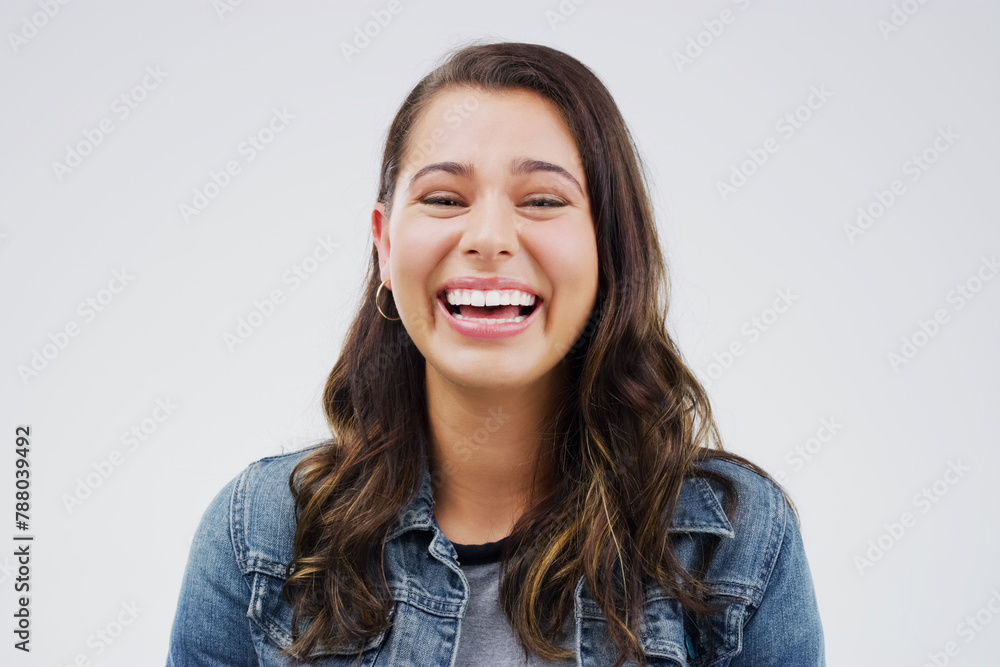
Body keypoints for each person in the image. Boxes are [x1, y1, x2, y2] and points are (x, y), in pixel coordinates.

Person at [166, 41, 826, 667]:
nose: (487, 237)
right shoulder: (259, 531)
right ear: (385, 246)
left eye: (542, 200)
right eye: (444, 198)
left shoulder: (733, 542)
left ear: (607, 246)